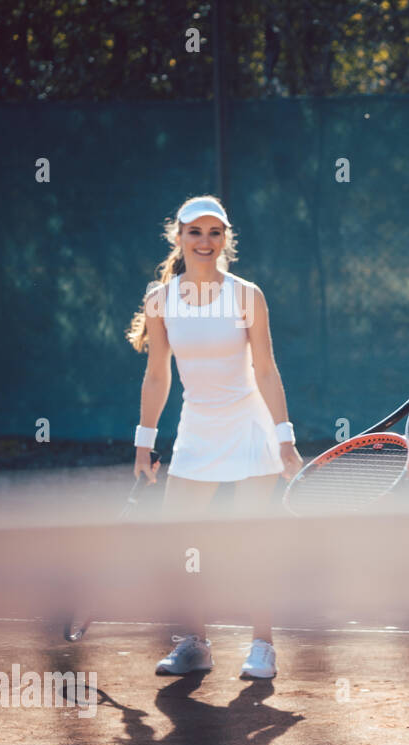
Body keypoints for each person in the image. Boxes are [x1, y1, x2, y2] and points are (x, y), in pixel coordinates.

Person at [125, 195, 304, 680]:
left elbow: (266, 371)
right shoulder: (160, 299)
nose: (205, 242)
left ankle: (262, 645)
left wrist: (284, 438)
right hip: (196, 429)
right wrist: (144, 443)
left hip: (250, 426)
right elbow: (157, 376)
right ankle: (194, 644)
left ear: (225, 239)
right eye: (195, 232)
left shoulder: (248, 295)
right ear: (178, 238)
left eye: (215, 233)